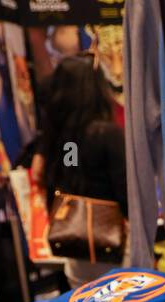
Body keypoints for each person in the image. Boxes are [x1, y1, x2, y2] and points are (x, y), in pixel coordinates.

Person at [32, 55, 128, 287]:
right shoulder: (107, 134)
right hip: (113, 245)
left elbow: (70, 177)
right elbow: (124, 190)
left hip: (76, 246)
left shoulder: (65, 140)